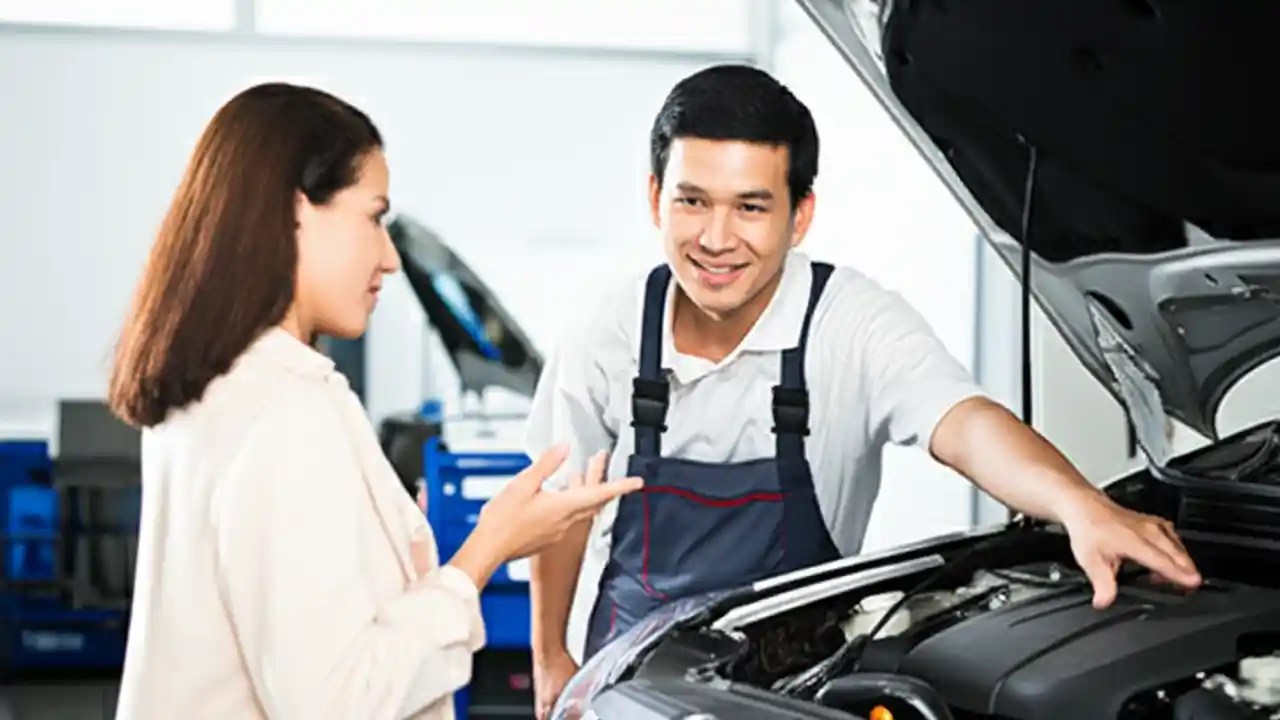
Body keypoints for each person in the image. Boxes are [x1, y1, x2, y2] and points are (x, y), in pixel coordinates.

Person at [524, 64, 1203, 717]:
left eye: (751, 207)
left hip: (783, 693)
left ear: (800, 216)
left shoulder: (849, 322)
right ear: (655, 199)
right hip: (627, 684)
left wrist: (1079, 504)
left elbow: (962, 422)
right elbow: (561, 508)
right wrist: (551, 653)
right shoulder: (609, 327)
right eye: (692, 201)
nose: (716, 238)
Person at [107, 82, 641, 720]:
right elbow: (338, 702)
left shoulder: (209, 385)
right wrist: (487, 551)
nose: (388, 257)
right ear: (295, 211)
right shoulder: (286, 415)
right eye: (374, 215)